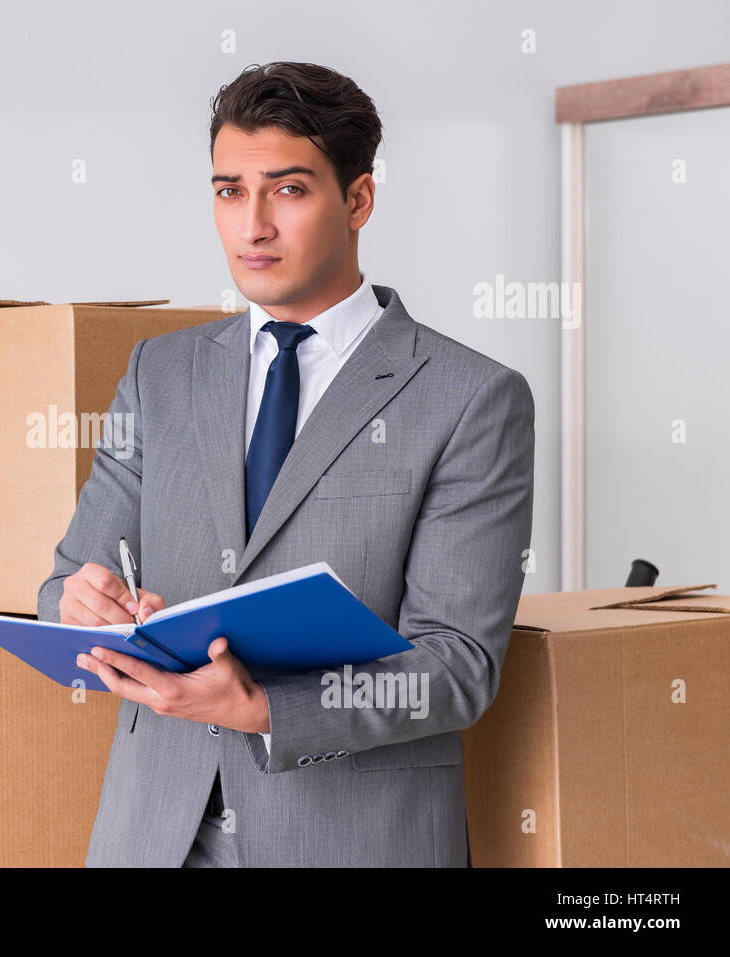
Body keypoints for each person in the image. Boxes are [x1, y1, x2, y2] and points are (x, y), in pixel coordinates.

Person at [36, 61, 535, 867]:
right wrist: (78, 601)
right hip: (156, 832)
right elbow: (64, 578)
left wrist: (268, 706)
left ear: (359, 200)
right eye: (230, 190)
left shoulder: (470, 398)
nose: (252, 225)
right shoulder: (158, 374)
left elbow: (457, 665)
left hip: (351, 837)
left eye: (289, 190)